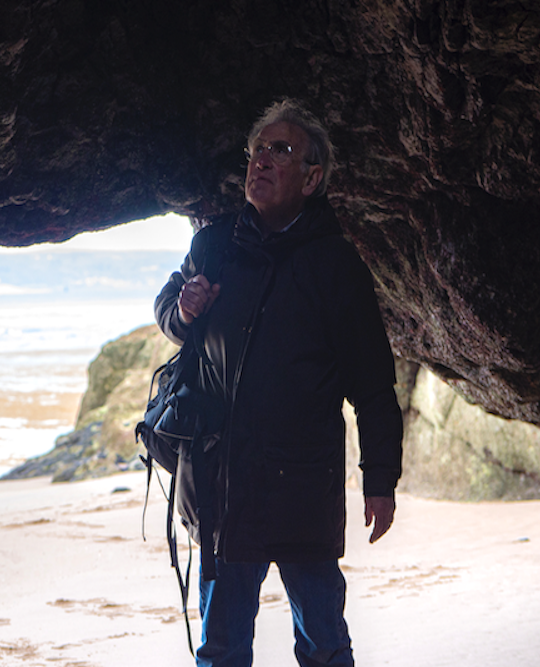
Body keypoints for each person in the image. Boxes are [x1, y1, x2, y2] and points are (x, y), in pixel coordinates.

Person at [154, 99, 403, 667]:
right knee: (220, 651)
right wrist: (185, 309)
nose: (261, 161)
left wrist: (380, 478)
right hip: (224, 481)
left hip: (303, 485)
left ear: (312, 178)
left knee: (324, 646)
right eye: (257, 150)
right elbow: (169, 311)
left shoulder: (336, 266)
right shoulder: (213, 244)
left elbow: (372, 384)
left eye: (280, 150)